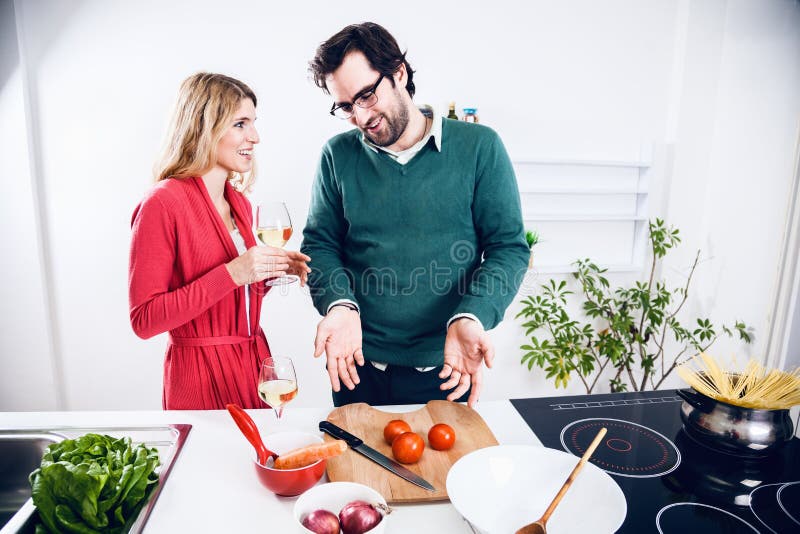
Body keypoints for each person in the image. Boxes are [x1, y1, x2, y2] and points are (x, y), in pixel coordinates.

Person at [302, 23, 529, 408]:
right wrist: (339, 305)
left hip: (447, 367)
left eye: (366, 95)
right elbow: (320, 245)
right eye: (346, 107)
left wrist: (472, 315)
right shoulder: (337, 155)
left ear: (399, 73)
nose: (361, 116)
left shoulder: (480, 147)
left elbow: (508, 248)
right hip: (356, 366)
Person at [128, 72, 311, 410]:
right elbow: (144, 320)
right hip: (198, 376)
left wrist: (268, 273)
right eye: (240, 124)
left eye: (253, 123)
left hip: (253, 367)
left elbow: (232, 299)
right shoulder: (162, 203)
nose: (255, 137)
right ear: (204, 127)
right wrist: (234, 272)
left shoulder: (239, 203)